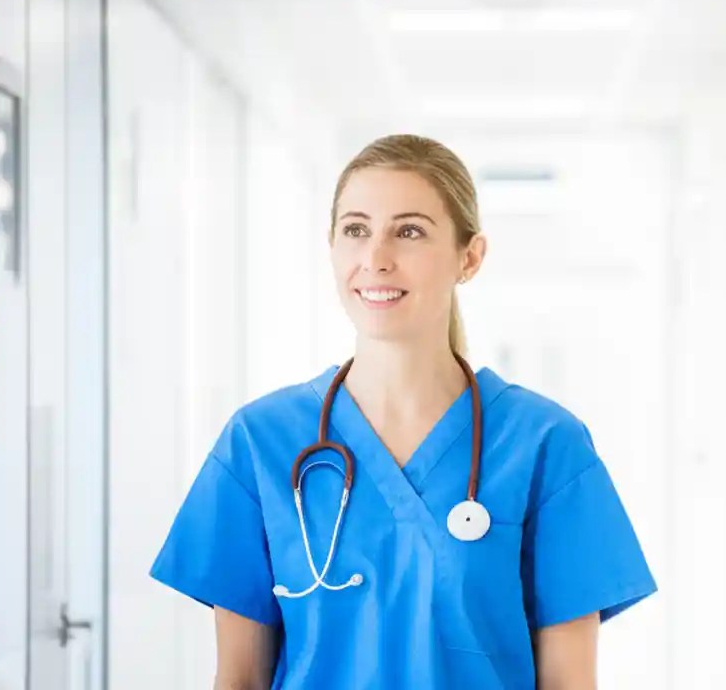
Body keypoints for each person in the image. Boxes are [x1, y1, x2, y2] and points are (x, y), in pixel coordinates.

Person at [150, 133, 657, 689]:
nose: (376, 258)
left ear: (470, 257)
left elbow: (569, 682)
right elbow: (239, 679)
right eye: (356, 230)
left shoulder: (544, 445)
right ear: (333, 247)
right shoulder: (260, 442)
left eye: (409, 231)